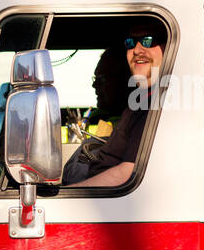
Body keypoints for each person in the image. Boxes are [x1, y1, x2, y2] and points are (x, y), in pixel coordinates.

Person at [66, 23, 165, 187]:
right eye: (131, 43)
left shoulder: (157, 106)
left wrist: (68, 197)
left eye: (148, 40)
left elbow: (128, 173)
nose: (137, 50)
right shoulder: (139, 104)